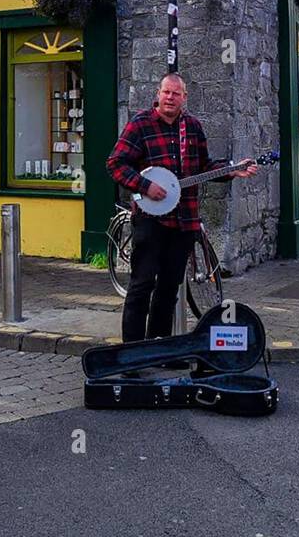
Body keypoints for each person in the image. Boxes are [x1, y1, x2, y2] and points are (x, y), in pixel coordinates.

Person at [106, 73, 258, 343]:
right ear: (158, 93)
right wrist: (144, 185)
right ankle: (132, 352)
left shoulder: (193, 127)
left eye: (176, 94)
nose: (170, 98)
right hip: (150, 220)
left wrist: (232, 170)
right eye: (166, 92)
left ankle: (160, 347)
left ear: (184, 98)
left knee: (169, 288)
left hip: (184, 220)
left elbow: (204, 168)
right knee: (142, 285)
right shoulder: (141, 124)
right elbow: (115, 164)